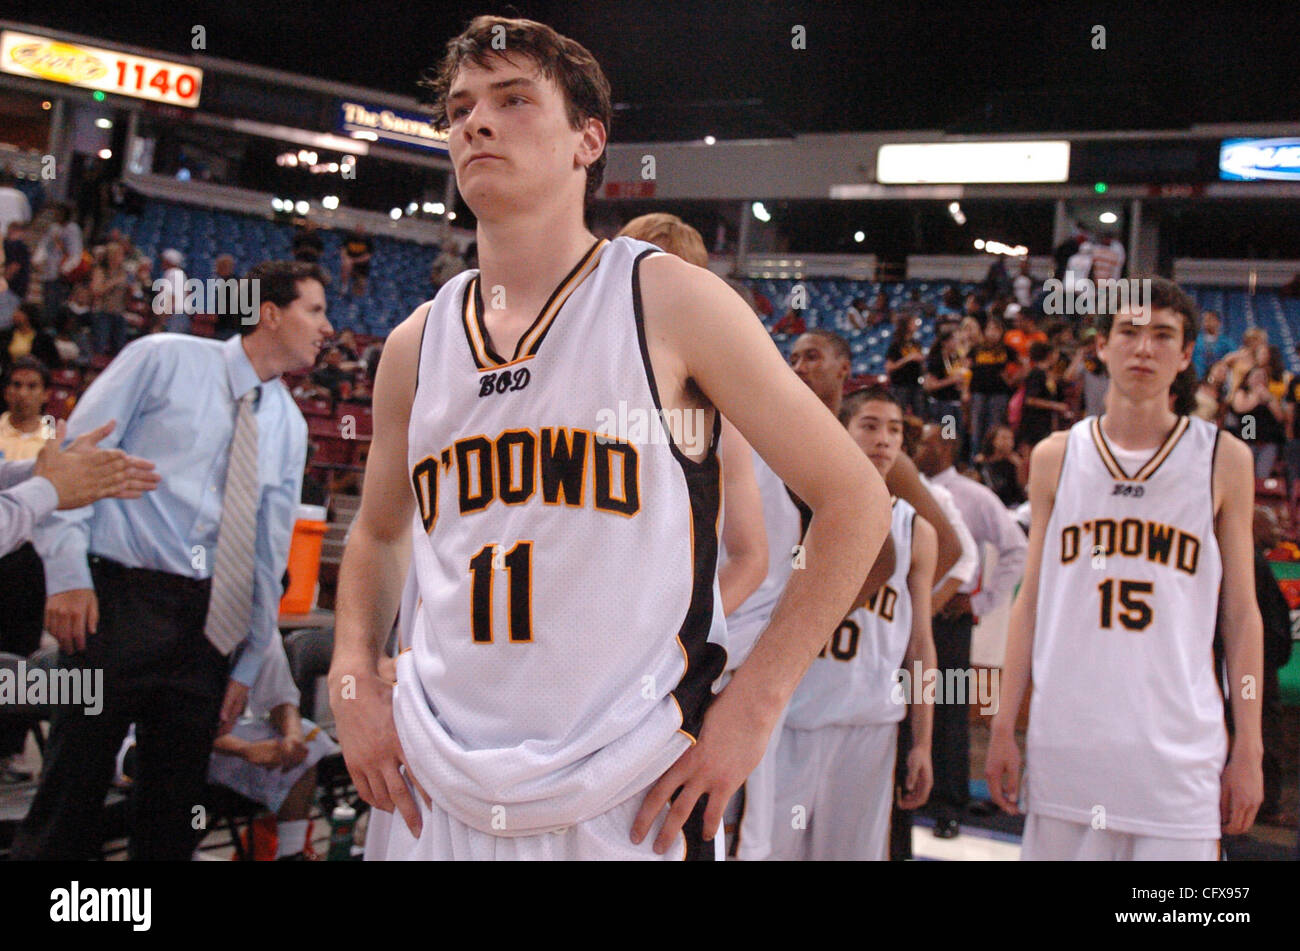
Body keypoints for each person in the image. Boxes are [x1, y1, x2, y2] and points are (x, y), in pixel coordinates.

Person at [330, 15, 891, 863]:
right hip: (431, 781)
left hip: (623, 792)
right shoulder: (415, 343)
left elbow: (855, 501)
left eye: (514, 100)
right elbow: (377, 532)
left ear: (587, 140)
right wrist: (353, 677)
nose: (475, 121)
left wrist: (757, 700)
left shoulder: (669, 301)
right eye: (460, 107)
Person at [13, 260, 332, 861]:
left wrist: (244, 667)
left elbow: (267, 558)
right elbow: (74, 463)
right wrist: (68, 577)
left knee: (171, 817)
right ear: (269, 313)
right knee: (69, 797)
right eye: (314, 310)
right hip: (116, 602)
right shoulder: (162, 358)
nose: (327, 326)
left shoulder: (289, 423)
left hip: (209, 628)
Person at [986, 277, 1264, 860]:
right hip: (1067, 746)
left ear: (1186, 355)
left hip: (1179, 758)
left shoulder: (1223, 458)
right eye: (1129, 333)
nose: (1143, 348)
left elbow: (1241, 615)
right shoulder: (1055, 456)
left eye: (1163, 336)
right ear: (1102, 347)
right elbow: (1029, 602)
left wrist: (1250, 748)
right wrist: (1002, 724)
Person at [616, 212, 780, 859]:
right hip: (579, 675)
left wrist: (677, 627)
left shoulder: (716, 410)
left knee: (668, 829)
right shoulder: (573, 386)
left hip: (664, 682)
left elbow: (752, 556)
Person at [769, 386, 937, 860]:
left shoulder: (914, 529)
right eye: (869, 425)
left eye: (895, 429)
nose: (884, 439)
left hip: (870, 724)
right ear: (841, 430)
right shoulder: (799, 510)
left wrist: (922, 742)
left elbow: (921, 645)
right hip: (792, 717)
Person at [914, 420, 1027, 836]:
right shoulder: (904, 487)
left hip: (950, 623)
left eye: (924, 441)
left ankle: (948, 804)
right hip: (907, 619)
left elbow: (1017, 549)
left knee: (950, 710)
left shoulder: (974, 497)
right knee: (905, 705)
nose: (916, 448)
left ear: (946, 446)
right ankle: (906, 791)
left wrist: (979, 601)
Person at [204, 633, 340, 860]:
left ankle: (291, 852)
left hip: (227, 730)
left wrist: (293, 738)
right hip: (170, 742)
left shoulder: (259, 625)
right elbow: (168, 722)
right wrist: (244, 749)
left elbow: (279, 698)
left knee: (307, 738)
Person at [967, 317, 1015, 466]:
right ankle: (974, 462)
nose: (993, 333)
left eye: (996, 330)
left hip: (999, 393)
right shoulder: (977, 349)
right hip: (978, 392)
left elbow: (1023, 365)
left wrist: (1011, 380)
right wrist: (966, 390)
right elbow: (966, 368)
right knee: (977, 428)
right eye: (990, 329)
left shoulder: (1006, 349)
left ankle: (991, 461)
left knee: (993, 428)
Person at [1229, 365, 1287, 479]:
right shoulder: (1242, 393)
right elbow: (1240, 408)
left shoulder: (1270, 396)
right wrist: (1256, 396)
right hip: (1247, 439)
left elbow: (1280, 417)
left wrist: (1269, 399)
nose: (1259, 380)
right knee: (1245, 473)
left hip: (1267, 441)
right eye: (1256, 376)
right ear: (1248, 379)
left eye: (1263, 377)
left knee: (1262, 474)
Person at [1016, 341, 1071, 452]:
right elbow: (1030, 399)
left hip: (1046, 423)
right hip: (1034, 423)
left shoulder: (1048, 374)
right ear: (1049, 355)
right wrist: (1056, 406)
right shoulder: (1036, 374)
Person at [36, 205, 83, 327]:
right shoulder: (53, 228)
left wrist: (66, 268)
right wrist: (38, 260)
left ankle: (53, 327)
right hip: (49, 271)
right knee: (47, 302)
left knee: (56, 304)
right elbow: (44, 245)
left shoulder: (72, 229)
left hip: (62, 274)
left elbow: (76, 252)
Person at [89, 242, 130, 357]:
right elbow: (96, 290)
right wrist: (113, 282)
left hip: (118, 311)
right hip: (103, 311)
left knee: (119, 347)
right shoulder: (101, 271)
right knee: (100, 346)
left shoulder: (122, 272)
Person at [1, 303, 60, 378]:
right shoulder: (5, 335)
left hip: (34, 375)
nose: (14, 314)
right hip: (9, 374)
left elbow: (53, 360)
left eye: (19, 312)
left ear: (27, 316)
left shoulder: (43, 338)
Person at [974, 424, 1027, 507]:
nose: (1008, 442)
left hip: (1012, 505)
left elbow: (1022, 489)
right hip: (988, 502)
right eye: (1004, 438)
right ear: (993, 440)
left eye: (1010, 439)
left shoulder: (1015, 463)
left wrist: (1020, 468)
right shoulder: (982, 462)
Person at [885, 315, 925, 420]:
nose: (916, 325)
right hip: (900, 385)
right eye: (913, 322)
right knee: (898, 414)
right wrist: (908, 359)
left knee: (919, 414)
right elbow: (889, 367)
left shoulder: (916, 343)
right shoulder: (896, 344)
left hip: (915, 384)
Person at [1, 221, 32, 329]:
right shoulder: (7, 244)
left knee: (4, 321)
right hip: (11, 289)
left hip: (13, 289)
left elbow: (14, 267)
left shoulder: (19, 247)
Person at [1192, 310, 1234, 379]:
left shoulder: (1225, 342)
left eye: (1209, 319)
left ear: (1218, 322)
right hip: (1197, 378)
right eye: (1204, 320)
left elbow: (1236, 354)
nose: (1206, 323)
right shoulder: (1196, 340)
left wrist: (1225, 360)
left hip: (1218, 381)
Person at [158, 249, 189, 335]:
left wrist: (163, 319)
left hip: (174, 315)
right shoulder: (182, 274)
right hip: (182, 315)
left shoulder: (171, 273)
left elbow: (171, 296)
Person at [341, 225, 373, 297]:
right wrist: (346, 258)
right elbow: (343, 250)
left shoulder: (368, 240)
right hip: (349, 262)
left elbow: (368, 256)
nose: (359, 231)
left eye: (361, 229)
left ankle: (358, 294)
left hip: (362, 265)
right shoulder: (349, 238)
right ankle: (344, 286)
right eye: (358, 229)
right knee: (346, 265)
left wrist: (354, 261)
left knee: (362, 283)